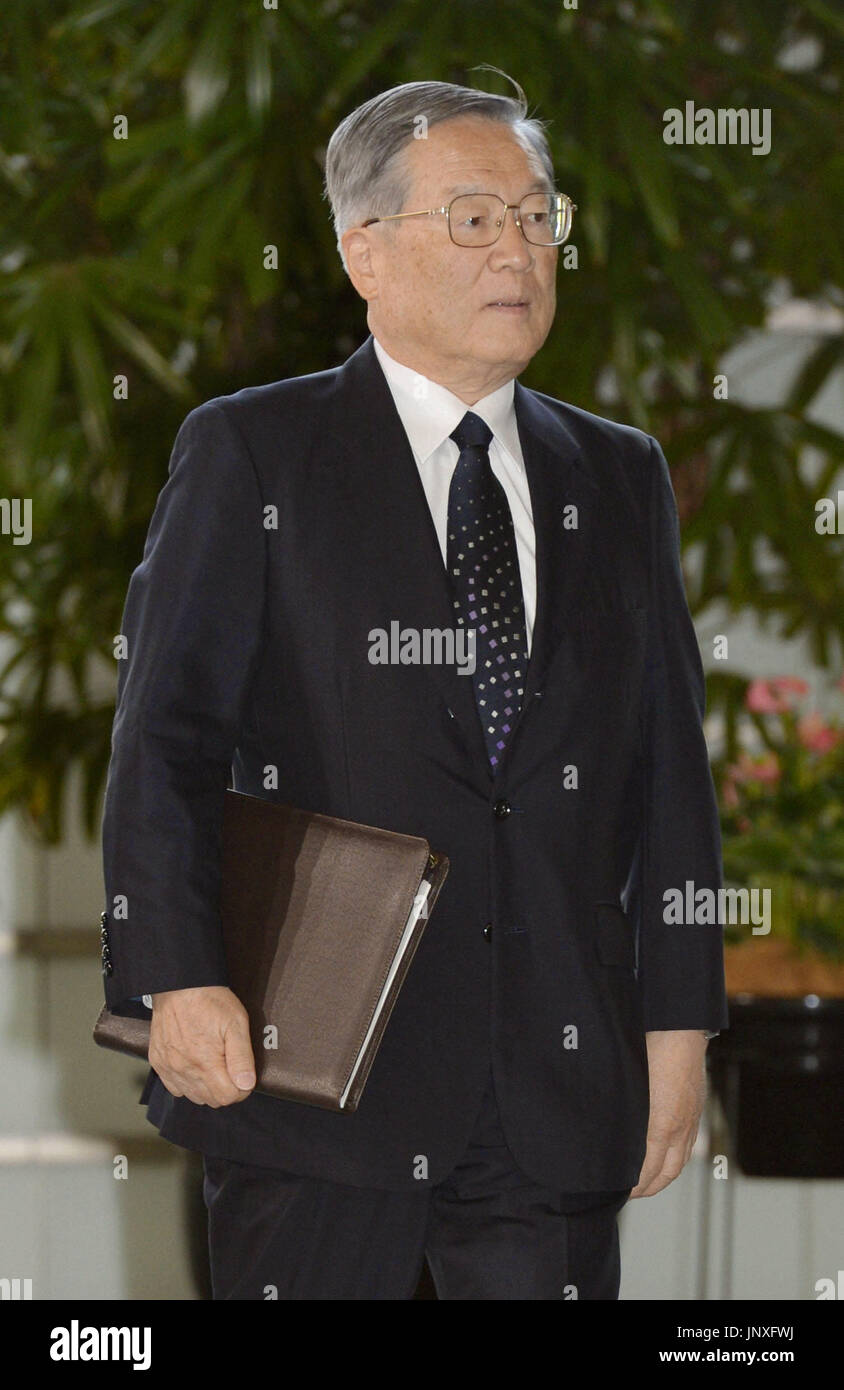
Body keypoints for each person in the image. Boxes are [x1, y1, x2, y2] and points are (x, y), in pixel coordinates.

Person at [99, 75, 727, 1300]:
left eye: (540, 218)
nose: (520, 251)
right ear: (364, 251)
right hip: (318, 1080)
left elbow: (669, 778)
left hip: (553, 1088)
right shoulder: (256, 451)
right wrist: (175, 975)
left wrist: (678, 1027)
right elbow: (163, 739)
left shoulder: (618, 474)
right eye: (477, 217)